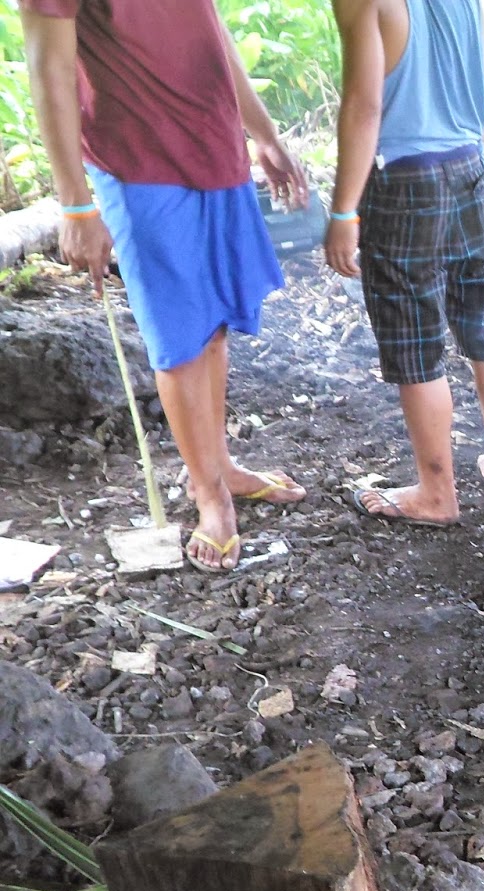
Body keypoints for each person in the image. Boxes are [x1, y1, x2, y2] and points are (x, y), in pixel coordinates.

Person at [20, 0, 311, 573]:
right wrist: (75, 202)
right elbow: (47, 65)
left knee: (214, 323)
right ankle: (210, 497)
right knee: (179, 336)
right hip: (137, 156)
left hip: (213, 138)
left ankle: (219, 464)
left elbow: (212, 30)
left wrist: (264, 133)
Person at [325, 0, 484, 528]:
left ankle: (436, 493)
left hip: (404, 180)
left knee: (415, 340)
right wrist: (477, 155)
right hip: (470, 166)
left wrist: (344, 209)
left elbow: (363, 107)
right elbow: (481, 75)